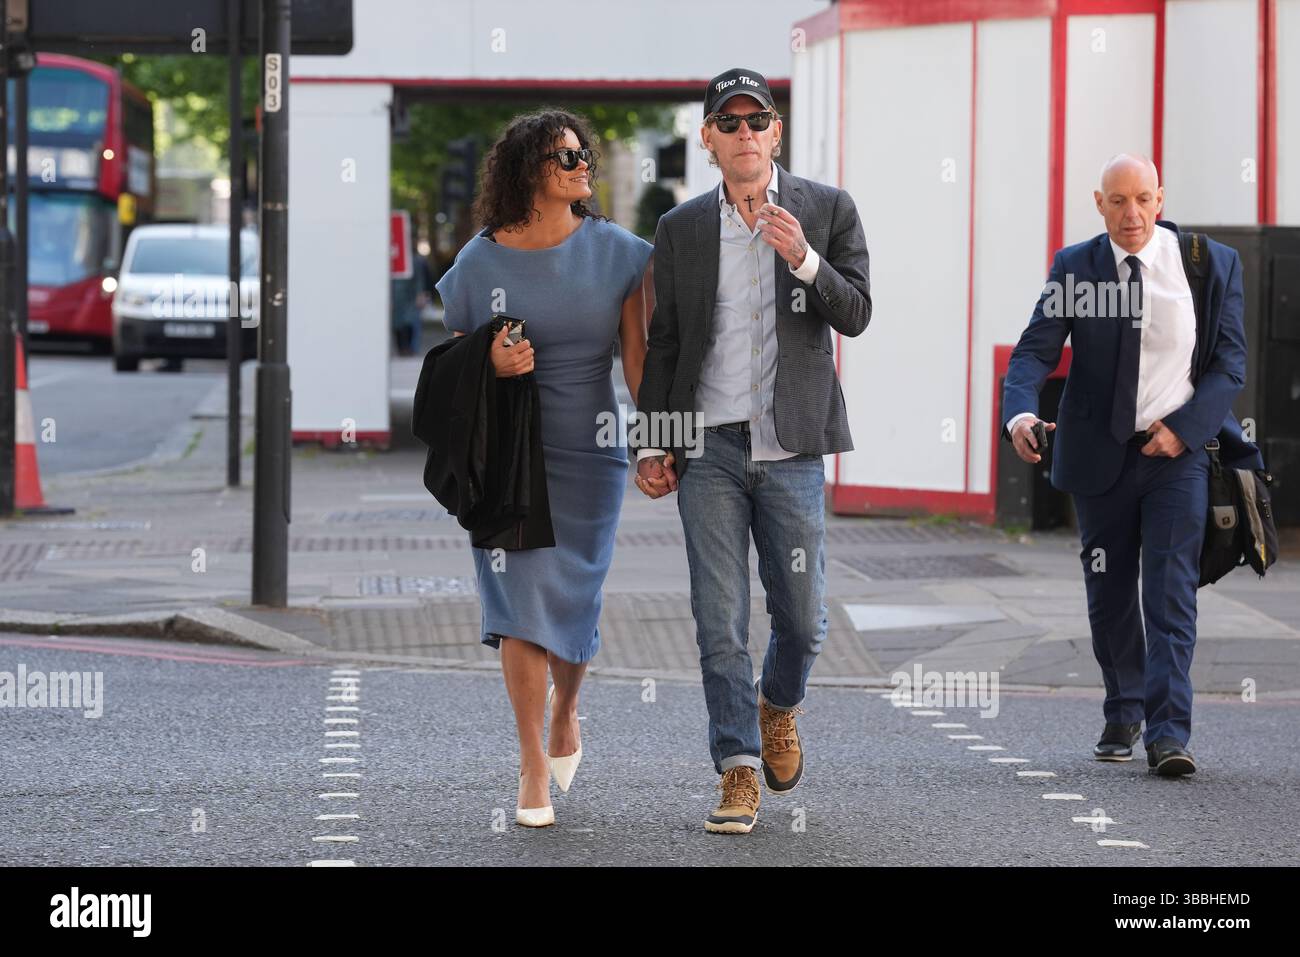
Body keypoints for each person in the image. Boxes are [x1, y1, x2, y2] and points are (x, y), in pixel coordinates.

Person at [633, 68, 871, 833]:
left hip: (791, 445)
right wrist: (656, 441)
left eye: (755, 120)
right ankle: (737, 767)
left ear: (776, 132)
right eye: (727, 122)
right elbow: (665, 342)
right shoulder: (682, 229)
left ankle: (781, 703)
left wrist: (804, 257)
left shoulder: (827, 210)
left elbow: (858, 312)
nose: (743, 133)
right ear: (707, 138)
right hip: (710, 447)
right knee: (719, 618)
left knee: (802, 619)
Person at [1001, 153, 1260, 776]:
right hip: (1098, 455)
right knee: (1109, 591)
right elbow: (1034, 353)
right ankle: (1123, 705)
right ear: (1099, 203)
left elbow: (1229, 365)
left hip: (1177, 457)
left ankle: (1169, 732)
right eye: (1118, 201)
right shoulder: (1076, 267)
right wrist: (1019, 417)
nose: (1131, 213)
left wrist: (1185, 433)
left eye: (1143, 199)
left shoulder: (1209, 265)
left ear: (1161, 199)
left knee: (1170, 591)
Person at [435, 109, 653, 826]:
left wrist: (663, 437)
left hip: (591, 455)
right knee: (519, 610)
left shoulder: (619, 253)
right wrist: (490, 359)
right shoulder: (478, 262)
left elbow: (638, 361)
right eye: (567, 157)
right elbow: (454, 367)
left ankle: (568, 708)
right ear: (531, 172)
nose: (582, 164)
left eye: (583, 154)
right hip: (507, 460)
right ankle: (531, 761)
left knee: (573, 604)